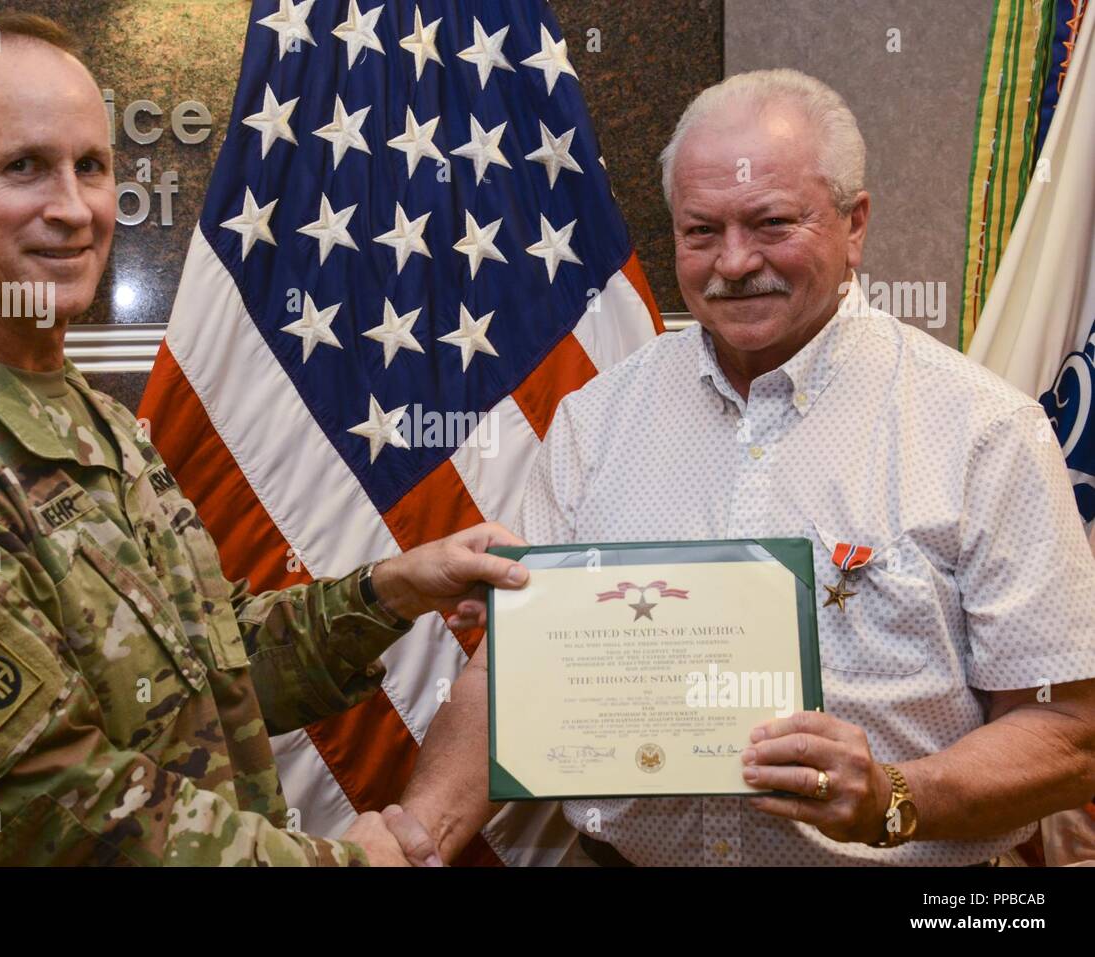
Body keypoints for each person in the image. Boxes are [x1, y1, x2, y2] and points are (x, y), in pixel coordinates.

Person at [0, 13, 529, 867]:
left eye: (92, 167)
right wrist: (347, 864)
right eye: (23, 167)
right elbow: (58, 817)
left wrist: (397, 588)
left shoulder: (83, 416)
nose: (72, 209)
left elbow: (205, 667)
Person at [399, 68, 1095, 866]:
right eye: (701, 231)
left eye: (770, 223)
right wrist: (415, 842)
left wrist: (892, 797)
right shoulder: (597, 420)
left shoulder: (986, 429)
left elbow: (1065, 731)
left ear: (854, 224)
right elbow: (505, 679)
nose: (733, 262)